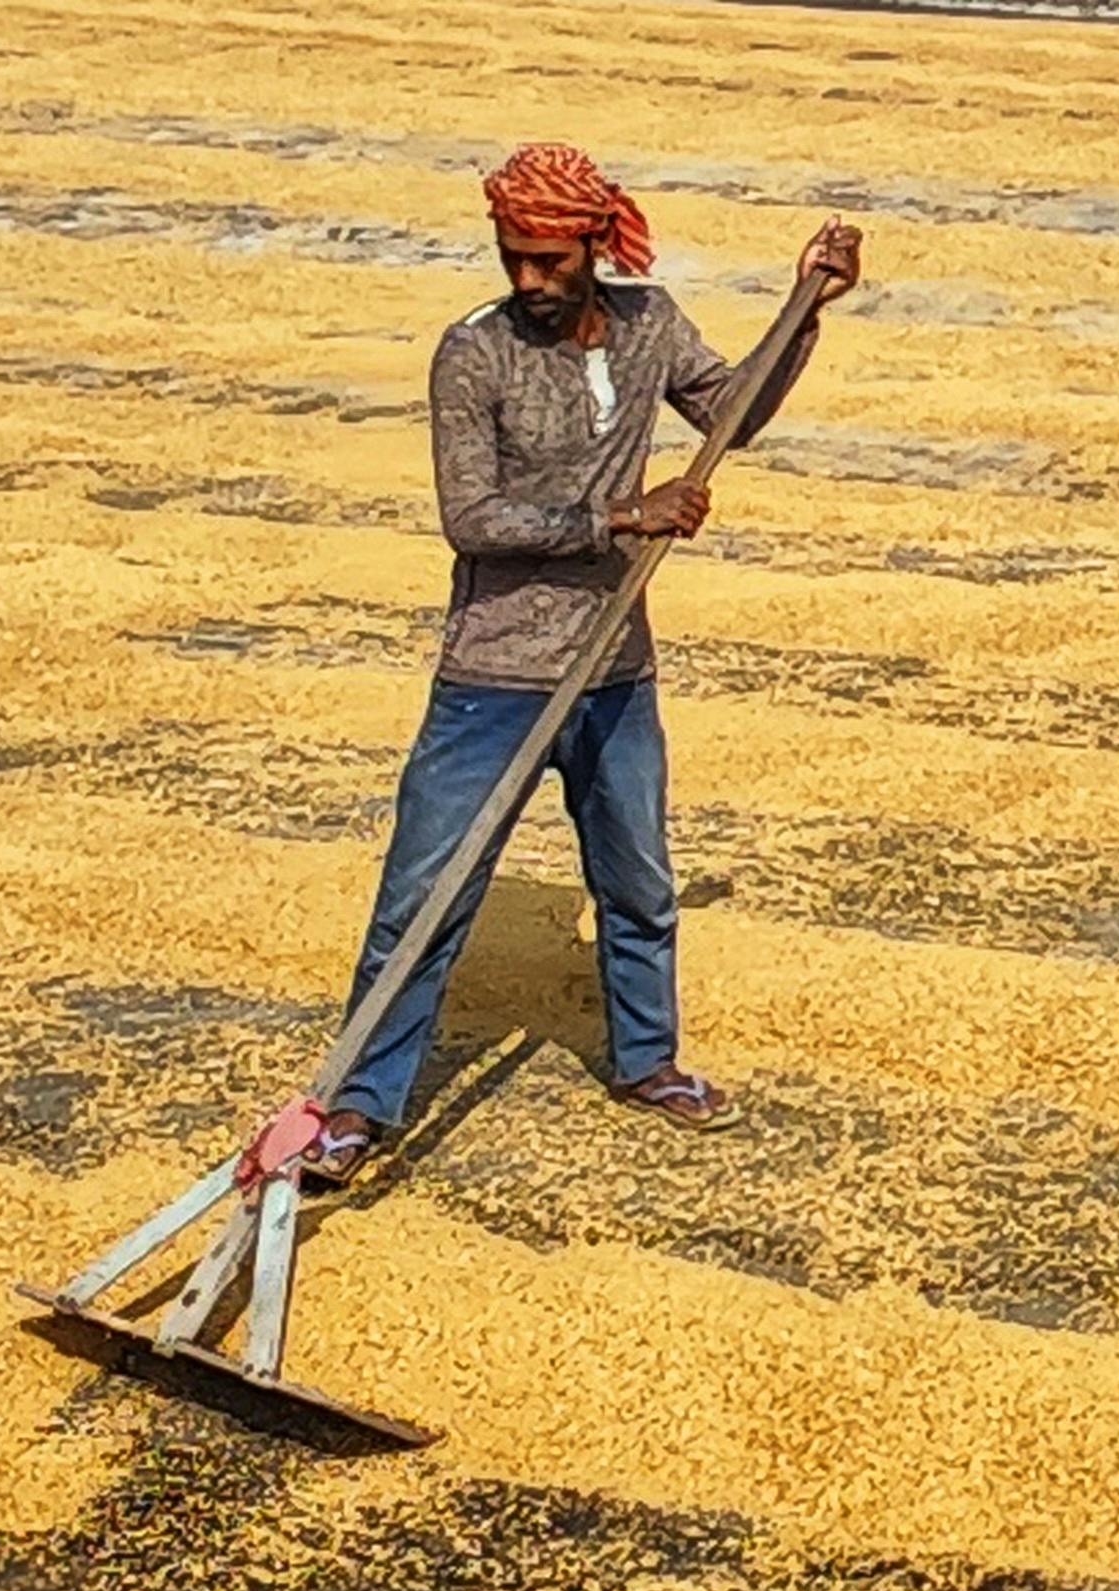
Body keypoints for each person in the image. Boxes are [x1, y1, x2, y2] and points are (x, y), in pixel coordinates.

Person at [302, 148, 859, 1188]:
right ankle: (354, 1108)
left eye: (549, 261)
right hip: (495, 677)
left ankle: (647, 1062)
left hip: (614, 671)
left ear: (597, 247)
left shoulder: (649, 325)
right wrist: (618, 513)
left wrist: (805, 311)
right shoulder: (473, 354)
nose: (528, 281)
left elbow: (731, 409)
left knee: (637, 881)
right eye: (514, 258)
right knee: (424, 898)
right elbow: (469, 518)